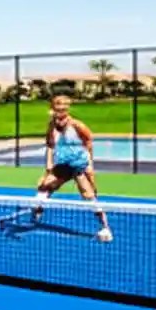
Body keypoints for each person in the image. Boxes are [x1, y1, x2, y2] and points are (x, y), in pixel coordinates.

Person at [32, 94, 113, 242]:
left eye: (63, 109)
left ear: (67, 110)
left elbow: (88, 142)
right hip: (62, 165)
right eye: (57, 109)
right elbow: (50, 145)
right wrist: (48, 165)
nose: (60, 112)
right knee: (44, 186)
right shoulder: (51, 126)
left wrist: (90, 165)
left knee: (88, 195)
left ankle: (105, 227)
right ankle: (36, 215)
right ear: (53, 109)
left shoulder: (77, 125)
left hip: (78, 165)